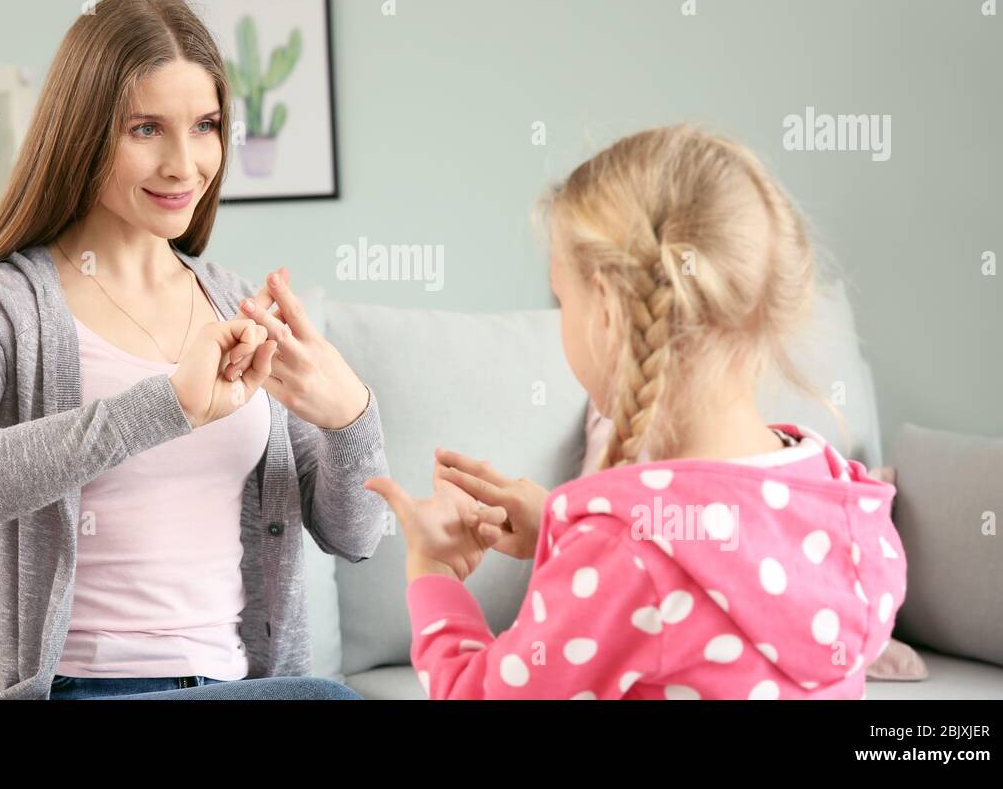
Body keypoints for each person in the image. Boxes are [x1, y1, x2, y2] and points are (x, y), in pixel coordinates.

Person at [0, 0, 387, 699]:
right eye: (146, 129)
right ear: (83, 133)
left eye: (205, 126)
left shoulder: (234, 301)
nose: (186, 164)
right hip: (73, 688)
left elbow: (357, 536)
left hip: (235, 686)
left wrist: (350, 418)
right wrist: (162, 407)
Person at [368, 125, 907, 699]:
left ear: (606, 309)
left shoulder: (623, 553)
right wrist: (562, 528)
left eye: (562, 298)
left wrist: (434, 574)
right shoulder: (841, 500)